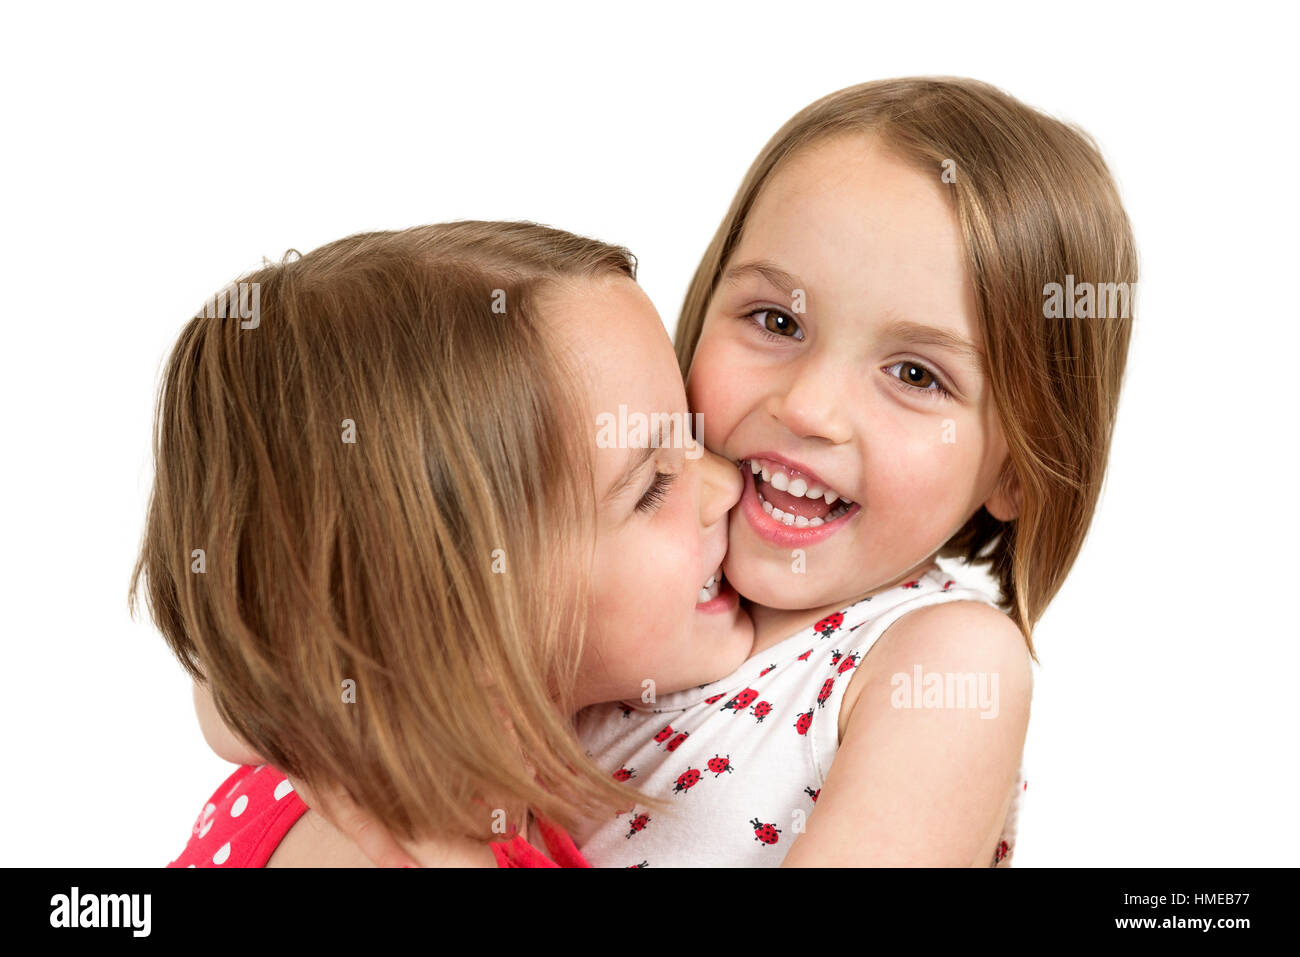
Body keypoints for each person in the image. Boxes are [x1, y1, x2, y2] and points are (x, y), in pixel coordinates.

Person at [571, 76, 1135, 866]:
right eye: (778, 321)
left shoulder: (942, 660)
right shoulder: (597, 560)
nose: (809, 407)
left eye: (914, 375)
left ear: (1020, 472)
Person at [131, 220, 754, 867]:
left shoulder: (388, 760)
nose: (726, 481)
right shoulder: (378, 845)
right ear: (456, 610)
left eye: (692, 429)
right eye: (651, 487)